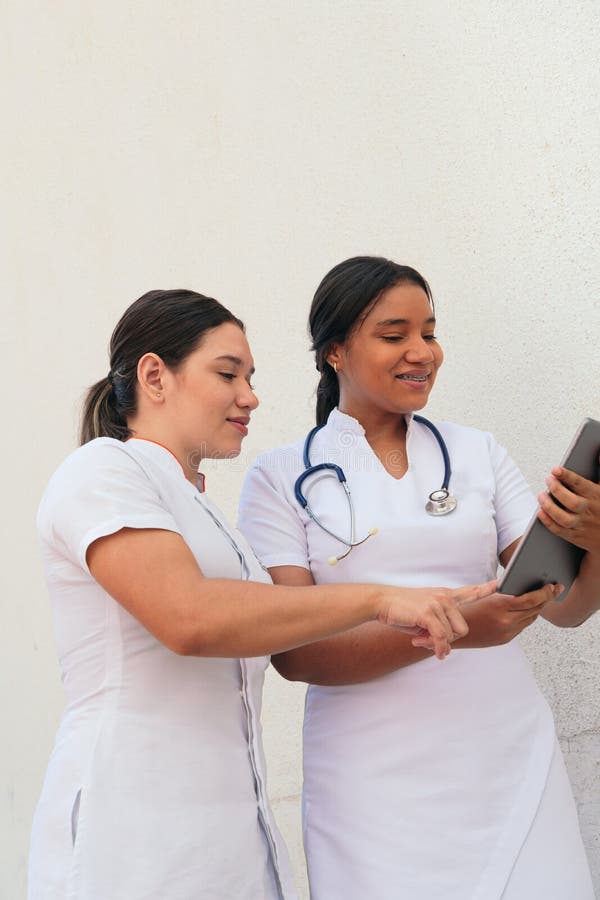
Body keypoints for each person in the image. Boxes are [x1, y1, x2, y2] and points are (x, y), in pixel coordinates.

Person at [29, 288, 496, 900]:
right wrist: (379, 598)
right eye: (228, 373)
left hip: (228, 838)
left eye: (250, 376)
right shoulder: (102, 472)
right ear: (154, 376)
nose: (250, 396)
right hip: (132, 838)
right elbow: (189, 618)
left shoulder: (203, 512)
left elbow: (274, 623)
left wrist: (443, 611)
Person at [238, 258, 599, 900]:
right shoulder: (279, 476)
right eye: (394, 334)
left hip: (506, 753)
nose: (421, 352)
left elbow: (565, 609)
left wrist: (593, 540)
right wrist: (460, 633)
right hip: (371, 784)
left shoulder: (477, 453)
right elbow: (297, 654)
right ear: (335, 352)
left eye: (429, 332)